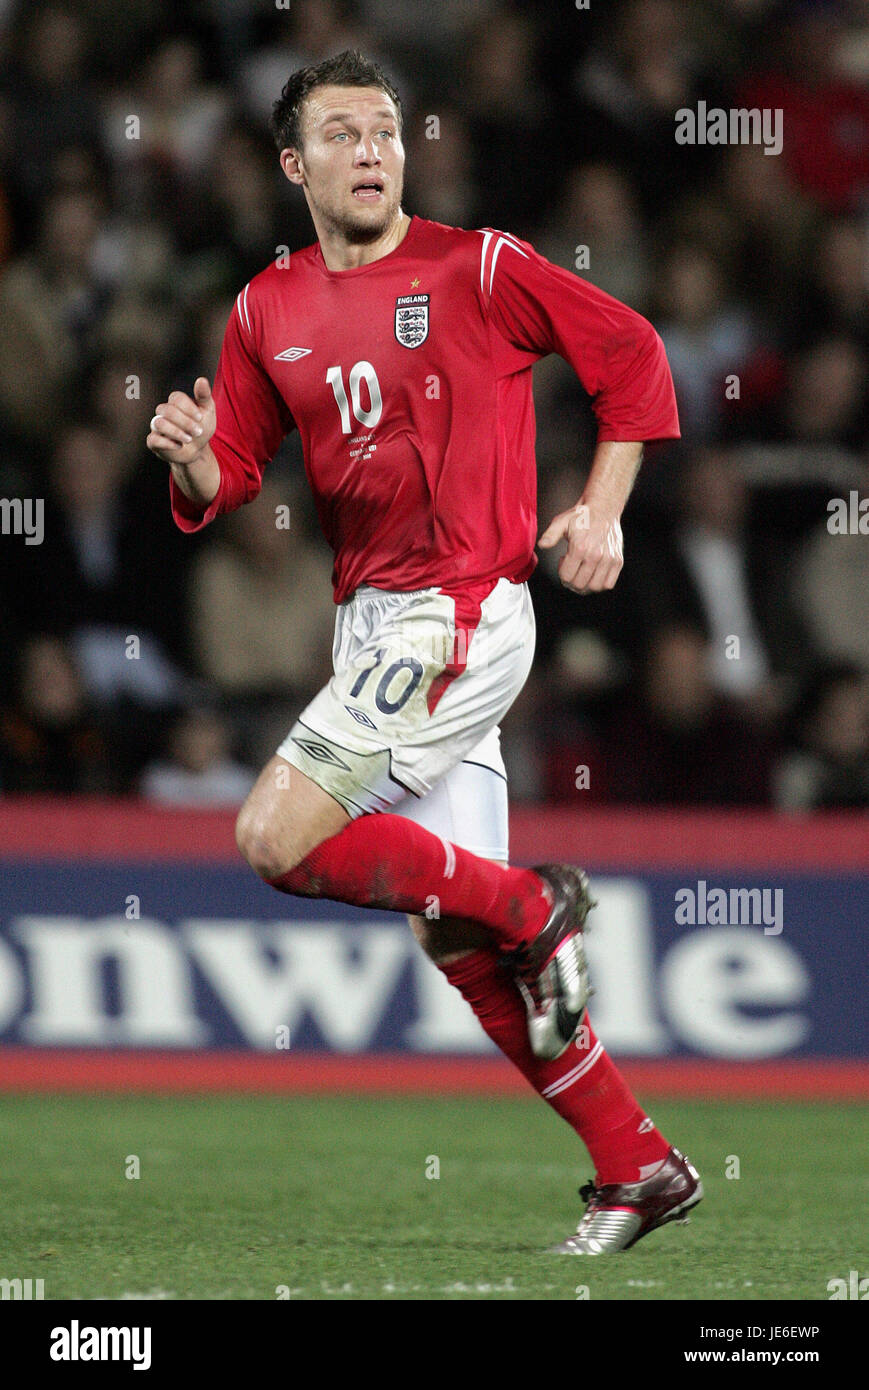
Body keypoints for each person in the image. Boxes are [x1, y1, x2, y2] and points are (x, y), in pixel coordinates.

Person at [147, 50, 701, 1255]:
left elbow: (634, 360)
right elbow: (230, 477)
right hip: (374, 621)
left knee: (270, 837)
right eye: (341, 134)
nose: (371, 151)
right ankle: (639, 1164)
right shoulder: (264, 308)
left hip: (457, 608)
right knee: (459, 941)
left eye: (386, 131)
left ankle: (530, 901)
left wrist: (600, 508)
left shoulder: (479, 264)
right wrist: (188, 449)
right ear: (294, 165)